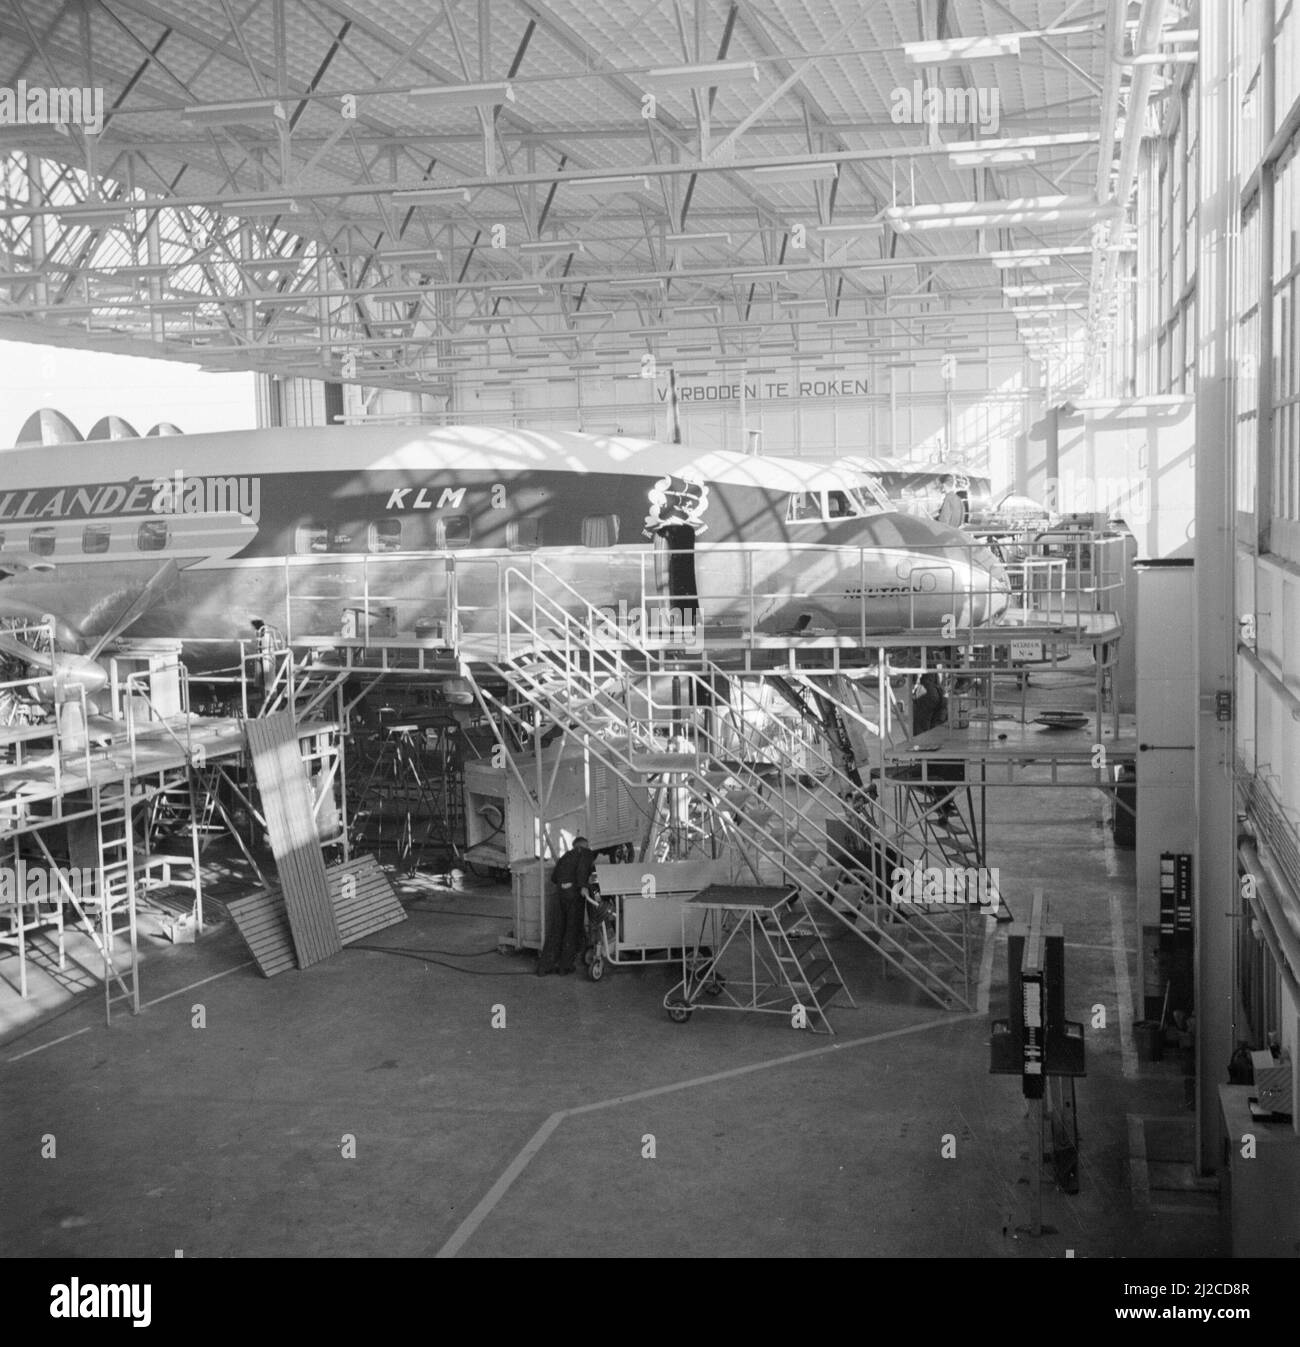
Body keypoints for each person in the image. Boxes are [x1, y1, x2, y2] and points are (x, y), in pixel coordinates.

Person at [536, 836, 596, 976]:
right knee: (571, 929)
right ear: (585, 845)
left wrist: (566, 882)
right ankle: (565, 967)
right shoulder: (585, 853)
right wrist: (582, 886)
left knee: (556, 930)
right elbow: (582, 869)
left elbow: (554, 878)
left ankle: (544, 967)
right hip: (574, 897)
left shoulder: (565, 856)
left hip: (560, 896)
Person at [249, 617, 287, 709]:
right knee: (264, 680)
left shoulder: (266, 634)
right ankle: (268, 701)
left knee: (268, 680)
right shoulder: (264, 634)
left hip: (266, 657)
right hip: (263, 657)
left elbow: (272, 647)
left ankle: (270, 702)